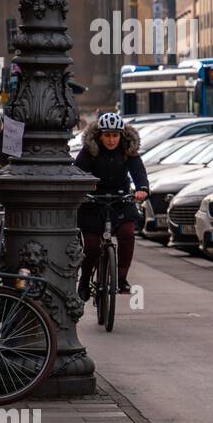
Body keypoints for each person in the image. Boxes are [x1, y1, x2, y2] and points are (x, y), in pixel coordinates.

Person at [73, 112, 149, 297]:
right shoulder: (90, 150)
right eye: (107, 135)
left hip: (119, 200)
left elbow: (138, 171)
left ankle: (121, 278)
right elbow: (78, 173)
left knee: (127, 235)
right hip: (93, 202)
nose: (111, 140)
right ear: (100, 135)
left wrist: (142, 189)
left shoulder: (127, 149)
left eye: (115, 135)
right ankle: (84, 282)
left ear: (121, 136)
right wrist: (83, 189)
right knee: (91, 246)